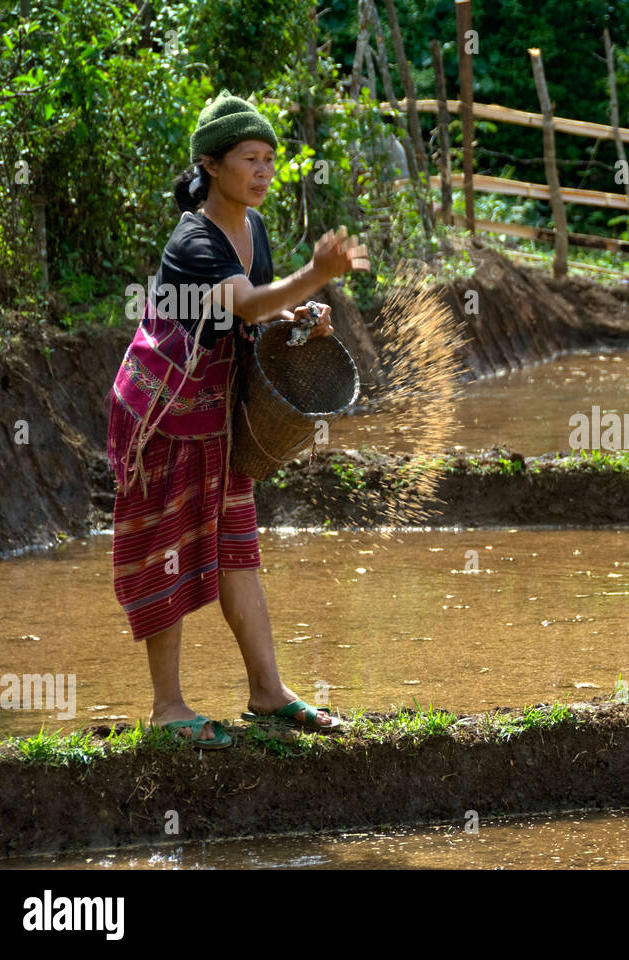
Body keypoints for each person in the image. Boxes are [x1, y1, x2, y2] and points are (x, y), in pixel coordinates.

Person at [106, 91, 369, 747]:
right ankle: (168, 707)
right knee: (166, 553)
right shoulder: (195, 237)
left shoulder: (254, 230)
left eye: (269, 159)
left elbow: (257, 314)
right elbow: (245, 305)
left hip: (219, 416)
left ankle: (267, 691)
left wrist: (301, 315)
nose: (262, 171)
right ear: (211, 165)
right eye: (250, 158)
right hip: (166, 414)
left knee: (237, 553)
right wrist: (315, 277)